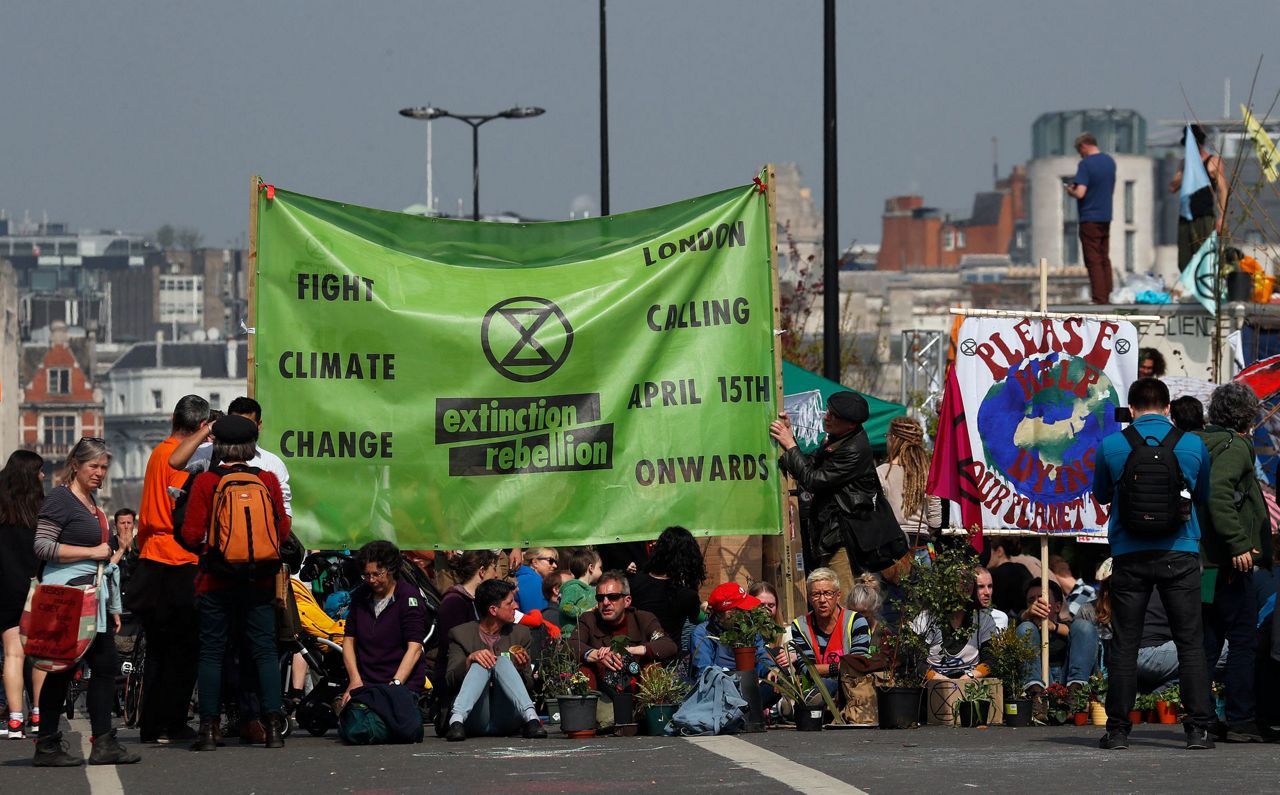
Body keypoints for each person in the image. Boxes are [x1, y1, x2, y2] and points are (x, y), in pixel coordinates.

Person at [1092, 376, 1215, 750]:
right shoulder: (1192, 444)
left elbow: (1100, 494)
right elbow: (1203, 495)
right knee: (1190, 642)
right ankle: (1196, 729)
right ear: (1167, 408)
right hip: (1180, 550)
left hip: (1129, 554)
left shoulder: (1112, 444)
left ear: (1130, 410)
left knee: (1126, 642)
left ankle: (1117, 731)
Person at [179, 415, 290, 752]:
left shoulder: (207, 482)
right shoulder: (268, 480)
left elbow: (190, 534)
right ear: (251, 447)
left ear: (220, 447)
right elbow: (282, 531)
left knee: (212, 652)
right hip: (260, 580)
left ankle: (209, 729)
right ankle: (272, 725)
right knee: (265, 651)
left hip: (216, 579)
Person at [31, 438, 139, 766]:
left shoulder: (90, 501)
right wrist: (92, 552)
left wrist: (113, 606)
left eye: (104, 466)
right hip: (68, 600)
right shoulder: (60, 500)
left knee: (104, 667)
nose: (99, 472)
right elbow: (42, 546)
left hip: (93, 601)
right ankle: (48, 743)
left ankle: (101, 740)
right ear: (75, 465)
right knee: (63, 670)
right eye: (93, 466)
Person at [131, 394, 209, 745]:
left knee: (158, 651)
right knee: (184, 649)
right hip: (179, 559)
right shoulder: (182, 457)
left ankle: (152, 724)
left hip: (150, 558)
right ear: (199, 427)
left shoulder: (156, 453)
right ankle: (173, 721)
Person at [1196, 383, 1272, 742]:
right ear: (1245, 416)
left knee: (1208, 642)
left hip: (1206, 562)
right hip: (1230, 564)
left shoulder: (1202, 440)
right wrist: (1240, 543)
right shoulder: (1237, 445)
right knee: (1243, 641)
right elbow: (1220, 494)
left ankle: (1203, 718)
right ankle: (1241, 721)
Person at [771, 391, 887, 588]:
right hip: (832, 536)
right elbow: (811, 466)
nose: (826, 417)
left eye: (833, 415)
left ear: (850, 424)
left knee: (841, 601)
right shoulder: (839, 439)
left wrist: (790, 445)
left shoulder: (853, 449)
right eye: (828, 411)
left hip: (843, 540)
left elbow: (813, 480)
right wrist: (792, 439)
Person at [443, 579, 546, 741]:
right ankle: (456, 721)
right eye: (510, 603)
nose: (516, 607)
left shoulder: (521, 634)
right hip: (475, 715)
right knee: (480, 661)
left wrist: (519, 668)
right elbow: (450, 681)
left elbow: (529, 685)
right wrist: (469, 660)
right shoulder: (460, 634)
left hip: (508, 715)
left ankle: (532, 719)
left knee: (502, 661)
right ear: (493, 609)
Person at [568, 571, 677, 710]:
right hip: (604, 693)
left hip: (638, 691)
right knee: (584, 670)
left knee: (652, 667)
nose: (606, 603)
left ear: (627, 601)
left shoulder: (643, 619)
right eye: (600, 598)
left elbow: (668, 645)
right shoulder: (588, 619)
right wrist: (595, 655)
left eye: (613, 597)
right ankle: (586, 718)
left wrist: (633, 650)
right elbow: (570, 645)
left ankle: (651, 714)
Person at [341, 540, 428, 715]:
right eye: (367, 575)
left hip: (402, 684)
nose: (371, 580)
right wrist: (355, 680)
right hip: (367, 683)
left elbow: (415, 648)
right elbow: (349, 641)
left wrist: (396, 684)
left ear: (391, 570)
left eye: (377, 574)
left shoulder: (409, 597)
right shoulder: (360, 596)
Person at [168, 396, 293, 517]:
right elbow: (175, 461)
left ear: (258, 425)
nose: (239, 430)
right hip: (216, 536)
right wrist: (210, 427)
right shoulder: (210, 452)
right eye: (234, 424)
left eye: (246, 425)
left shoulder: (272, 463)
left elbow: (284, 513)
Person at [0, 450, 44, 739]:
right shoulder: (41, 508)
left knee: (12, 654)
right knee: (40, 654)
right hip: (36, 585)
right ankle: (39, 713)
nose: (43, 475)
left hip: (4, 586)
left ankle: (15, 719)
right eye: (39, 471)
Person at [785, 568, 870, 697]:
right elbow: (808, 669)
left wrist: (825, 669)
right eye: (816, 594)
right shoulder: (800, 625)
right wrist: (838, 667)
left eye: (828, 593)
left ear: (838, 596)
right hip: (816, 688)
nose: (822, 600)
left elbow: (856, 666)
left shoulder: (856, 621)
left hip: (852, 688)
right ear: (809, 598)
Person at [433, 550, 498, 696]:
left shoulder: (479, 602)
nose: (496, 575)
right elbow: (453, 646)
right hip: (457, 685)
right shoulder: (453, 602)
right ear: (482, 571)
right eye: (493, 568)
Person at [1017, 580, 1099, 692]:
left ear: (1057, 607)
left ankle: (1076, 691)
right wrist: (1026, 615)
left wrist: (1053, 627)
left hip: (1068, 679)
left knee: (1084, 626)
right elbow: (1016, 625)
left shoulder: (1070, 626)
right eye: (1031, 601)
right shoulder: (1024, 625)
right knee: (1025, 628)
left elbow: (1079, 632)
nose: (1036, 604)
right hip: (1043, 680)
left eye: (1042, 599)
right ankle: (1035, 693)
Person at [1064, 132, 1117, 304]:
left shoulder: (1085, 164)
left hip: (1090, 216)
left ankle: (1099, 298)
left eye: (1079, 151)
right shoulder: (1110, 162)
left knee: (1093, 259)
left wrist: (1069, 190)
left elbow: (1080, 192)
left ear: (1083, 146)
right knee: (1104, 257)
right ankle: (1109, 293)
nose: (1080, 154)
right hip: (1105, 215)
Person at [629, 526, 705, 643]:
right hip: (668, 655)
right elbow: (698, 619)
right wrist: (704, 609)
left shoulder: (635, 581)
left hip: (636, 652)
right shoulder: (686, 595)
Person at [688, 582, 776, 682]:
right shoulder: (703, 634)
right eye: (743, 609)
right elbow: (704, 672)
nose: (748, 612)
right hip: (718, 690)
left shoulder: (748, 629)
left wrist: (770, 670)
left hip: (748, 685)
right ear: (729, 614)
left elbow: (760, 654)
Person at [1170, 124, 1230, 269]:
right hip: (1186, 217)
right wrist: (1187, 171)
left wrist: (1222, 217)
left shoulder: (1213, 162)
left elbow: (1223, 190)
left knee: (1207, 258)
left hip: (1205, 217)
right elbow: (1172, 187)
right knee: (1183, 261)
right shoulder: (1184, 164)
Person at [877, 416, 942, 544]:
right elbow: (935, 520)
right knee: (920, 564)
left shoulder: (881, 472)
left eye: (887, 435)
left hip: (892, 545)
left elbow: (876, 513)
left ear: (894, 438)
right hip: (921, 544)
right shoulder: (927, 473)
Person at [559, 548, 603, 636]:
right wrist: (586, 612)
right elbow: (565, 607)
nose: (602, 571)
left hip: (586, 634)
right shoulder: (573, 588)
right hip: (572, 636)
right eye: (600, 568)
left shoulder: (592, 589)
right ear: (591, 568)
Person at [511, 547, 558, 612]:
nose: (555, 566)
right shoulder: (531, 580)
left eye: (555, 562)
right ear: (535, 562)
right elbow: (536, 616)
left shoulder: (527, 578)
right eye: (550, 561)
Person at [973, 565, 1009, 630]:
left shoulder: (1000, 618)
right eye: (981, 587)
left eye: (989, 586)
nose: (987, 592)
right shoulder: (961, 618)